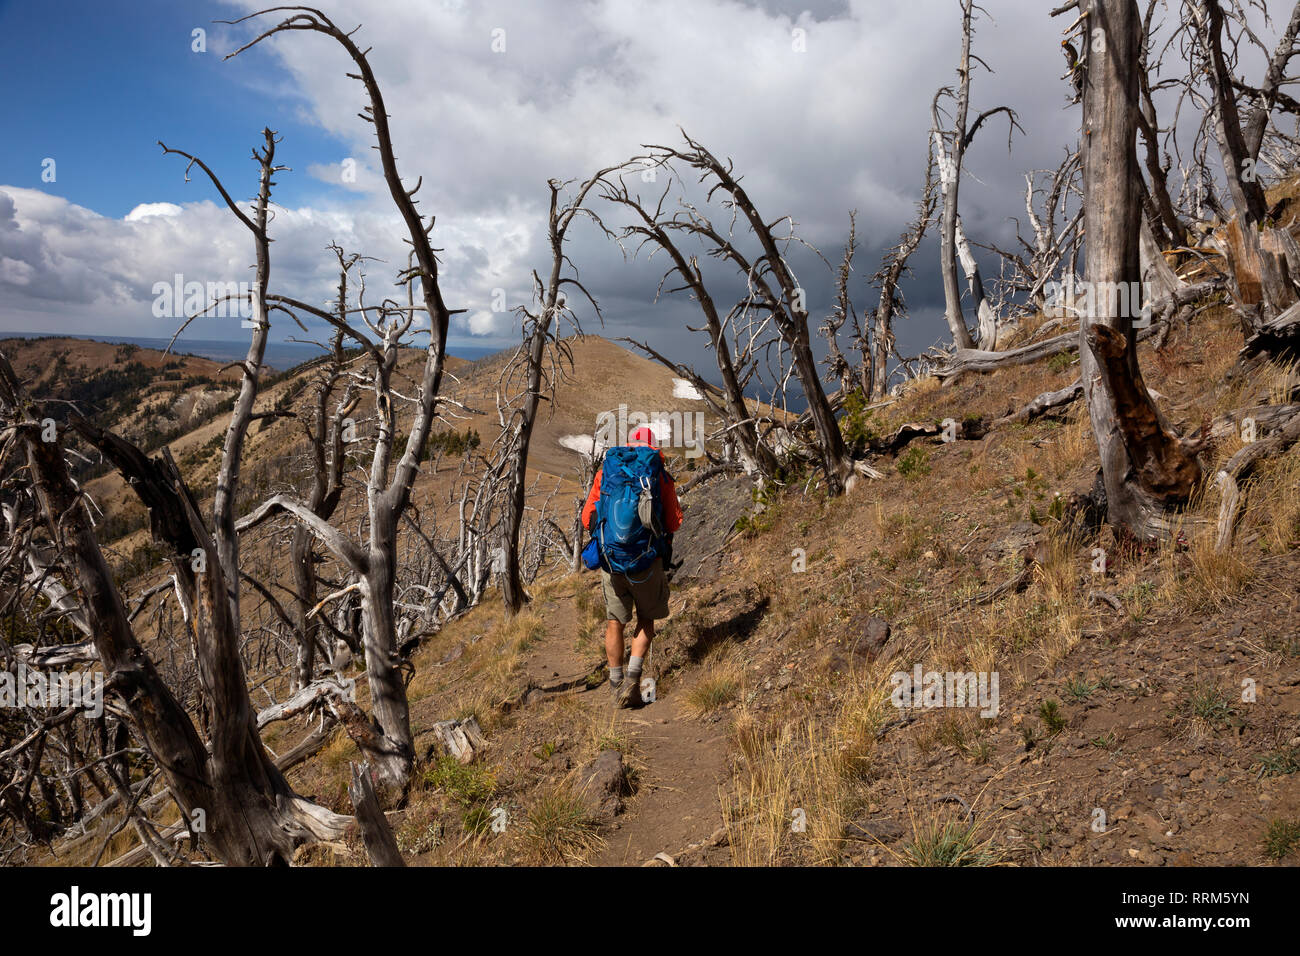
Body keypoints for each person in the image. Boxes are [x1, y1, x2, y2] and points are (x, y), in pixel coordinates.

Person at [581, 426, 682, 708]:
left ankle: (615, 687)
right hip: (646, 562)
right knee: (646, 620)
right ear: (652, 448)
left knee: (615, 622)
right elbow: (674, 522)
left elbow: (587, 517)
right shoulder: (656, 472)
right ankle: (632, 684)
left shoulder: (608, 471)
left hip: (612, 563)